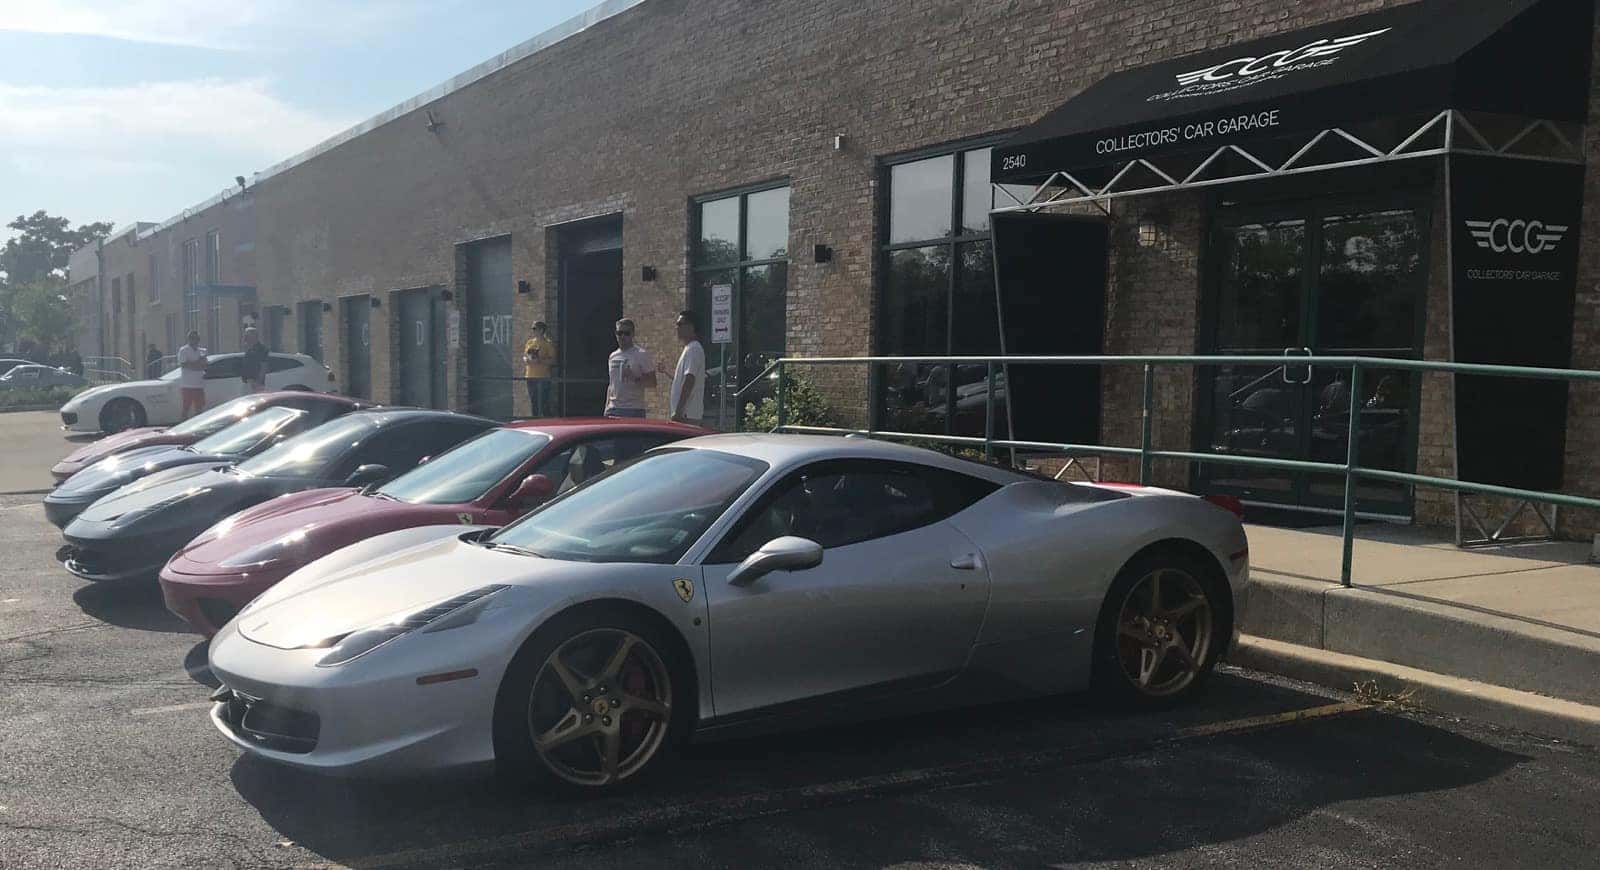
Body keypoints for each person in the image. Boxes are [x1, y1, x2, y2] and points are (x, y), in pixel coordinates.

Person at [603, 317, 654, 418]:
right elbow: (611, 385)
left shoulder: (641, 354)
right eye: (619, 333)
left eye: (626, 333)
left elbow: (652, 382)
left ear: (633, 334)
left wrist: (634, 377)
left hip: (633, 409)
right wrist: (606, 407)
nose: (622, 336)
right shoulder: (613, 356)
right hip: (613, 409)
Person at [668, 310, 706, 426]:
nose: (677, 328)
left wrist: (679, 411)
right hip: (686, 415)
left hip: (687, 415)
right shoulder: (689, 348)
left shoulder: (693, 349)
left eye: (680, 324)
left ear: (691, 327)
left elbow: (689, 380)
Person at [523, 321, 555, 417]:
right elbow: (524, 356)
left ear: (541, 330)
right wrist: (526, 360)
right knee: (534, 401)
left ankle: (547, 422)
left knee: (544, 401)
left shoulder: (548, 343)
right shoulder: (530, 342)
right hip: (530, 376)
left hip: (543, 377)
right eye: (533, 329)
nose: (533, 331)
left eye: (535, 329)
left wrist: (539, 361)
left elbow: (552, 360)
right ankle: (534, 421)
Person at [176, 330, 209, 419]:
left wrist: (195, 364)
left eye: (197, 338)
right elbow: (184, 365)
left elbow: (205, 365)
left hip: (199, 384)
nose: (195, 340)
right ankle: (183, 425)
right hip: (187, 385)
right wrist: (198, 363)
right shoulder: (183, 350)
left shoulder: (202, 351)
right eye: (192, 338)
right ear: (189, 339)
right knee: (186, 408)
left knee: (199, 408)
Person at [239, 327, 269, 393]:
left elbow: (263, 366)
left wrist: (258, 382)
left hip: (255, 383)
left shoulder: (261, 349)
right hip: (247, 382)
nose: (245, 338)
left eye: (247, 335)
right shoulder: (249, 349)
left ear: (254, 336)